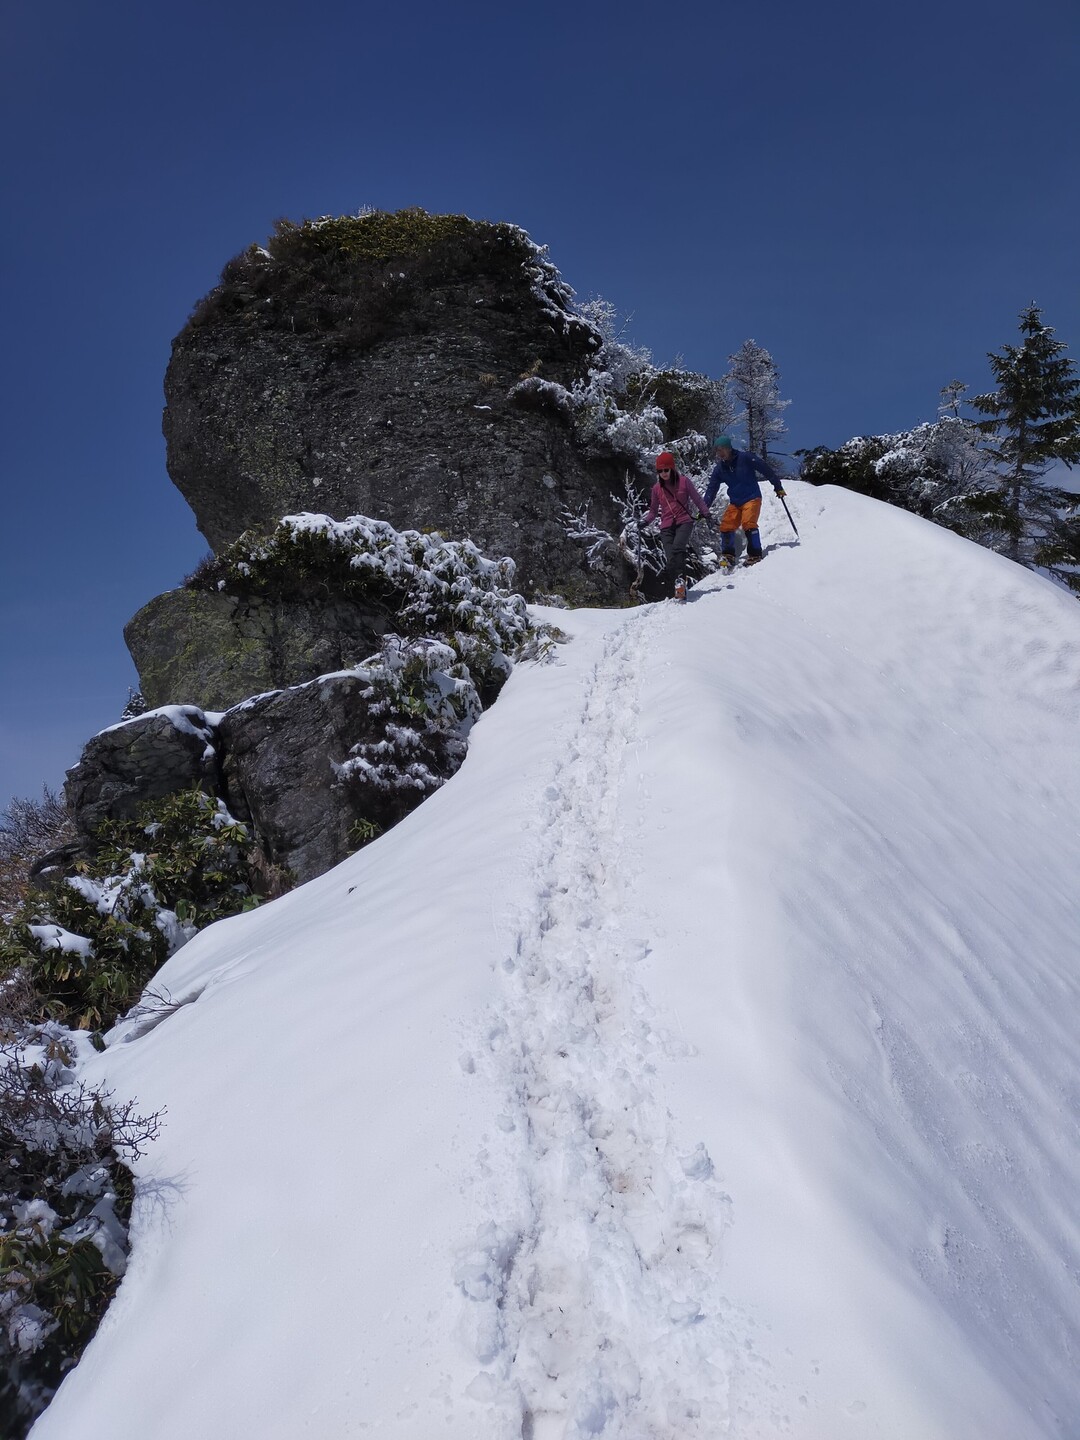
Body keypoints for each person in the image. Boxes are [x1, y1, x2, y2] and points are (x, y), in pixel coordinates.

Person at [703, 435, 787, 565]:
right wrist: (704, 508)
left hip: (752, 497)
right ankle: (728, 555)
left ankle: (755, 554)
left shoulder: (745, 458)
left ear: (729, 448)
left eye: (722, 450)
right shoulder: (719, 469)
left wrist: (778, 486)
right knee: (726, 525)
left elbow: (765, 469)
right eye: (717, 451)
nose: (720, 453)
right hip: (736, 502)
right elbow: (711, 489)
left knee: (748, 522)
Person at [639, 452, 712, 598]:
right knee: (671, 555)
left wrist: (706, 513)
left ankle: (675, 579)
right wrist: (645, 521)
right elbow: (653, 511)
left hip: (684, 521)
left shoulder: (684, 482)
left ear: (672, 468)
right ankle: (679, 585)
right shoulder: (656, 489)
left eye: (666, 470)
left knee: (678, 548)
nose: (663, 473)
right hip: (666, 526)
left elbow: (697, 499)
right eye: (660, 471)